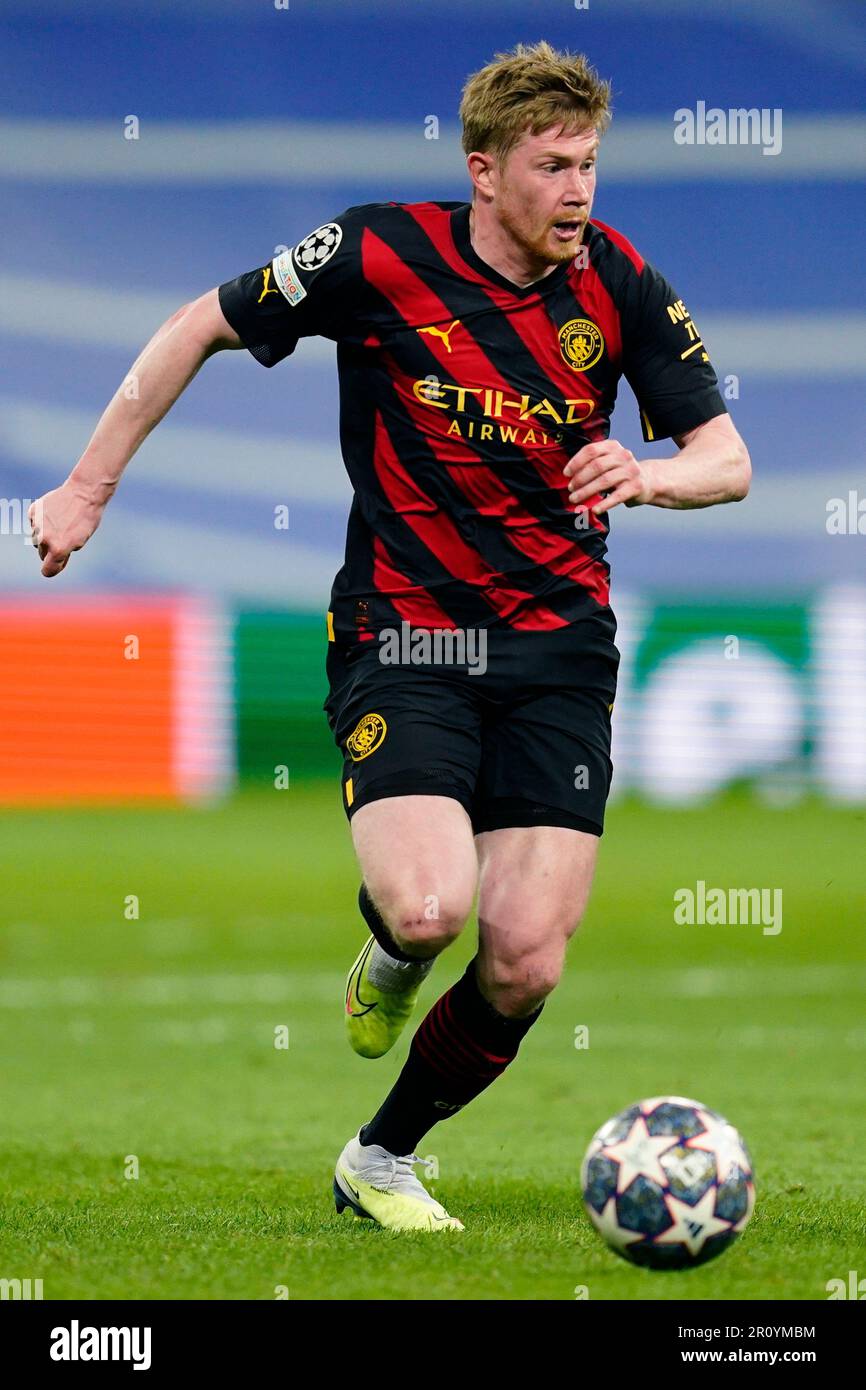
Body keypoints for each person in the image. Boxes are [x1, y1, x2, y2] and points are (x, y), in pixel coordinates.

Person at [28, 40, 750, 1233]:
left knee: (524, 958)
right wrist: (88, 487)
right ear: (483, 169)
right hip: (403, 632)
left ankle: (380, 1158)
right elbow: (196, 324)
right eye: (553, 166)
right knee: (429, 910)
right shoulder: (375, 254)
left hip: (558, 643)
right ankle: (393, 958)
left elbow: (725, 459)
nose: (579, 192)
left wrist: (653, 474)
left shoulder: (617, 283)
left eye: (589, 166)